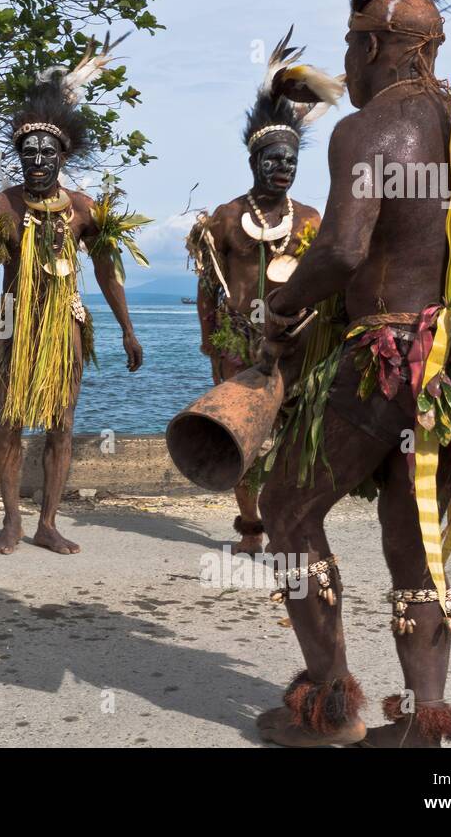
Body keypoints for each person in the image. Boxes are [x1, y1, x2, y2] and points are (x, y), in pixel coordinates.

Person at [251, 0, 451, 747]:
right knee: (415, 545)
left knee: (285, 507)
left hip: (386, 360)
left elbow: (340, 247)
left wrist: (283, 308)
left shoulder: (366, 130)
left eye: (350, 48)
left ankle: (330, 703)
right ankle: (421, 726)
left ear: (378, 45)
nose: (344, 69)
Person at [0, 42, 147, 555]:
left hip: (65, 326)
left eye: (47, 153)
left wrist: (128, 330)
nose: (37, 160)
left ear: (62, 157)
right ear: (18, 156)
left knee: (62, 423)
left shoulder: (85, 209)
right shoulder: (2, 206)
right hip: (12, 325)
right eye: (28, 152)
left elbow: (109, 274)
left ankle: (47, 522)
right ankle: (11, 523)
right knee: (9, 421)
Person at [186, 29, 340, 554]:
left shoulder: (313, 220)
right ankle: (252, 526)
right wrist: (212, 339)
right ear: (254, 161)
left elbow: (327, 285)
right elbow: (208, 285)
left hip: (296, 348)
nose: (283, 169)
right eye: (273, 160)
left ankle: (287, 522)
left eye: (292, 162)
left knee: (294, 436)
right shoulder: (227, 219)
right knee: (242, 435)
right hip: (237, 342)